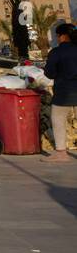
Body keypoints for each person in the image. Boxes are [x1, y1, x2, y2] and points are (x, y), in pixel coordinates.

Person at [44, 23, 77, 158]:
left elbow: (49, 73)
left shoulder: (56, 52)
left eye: (58, 35)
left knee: (58, 119)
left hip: (64, 92)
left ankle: (61, 153)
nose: (57, 38)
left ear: (63, 36)